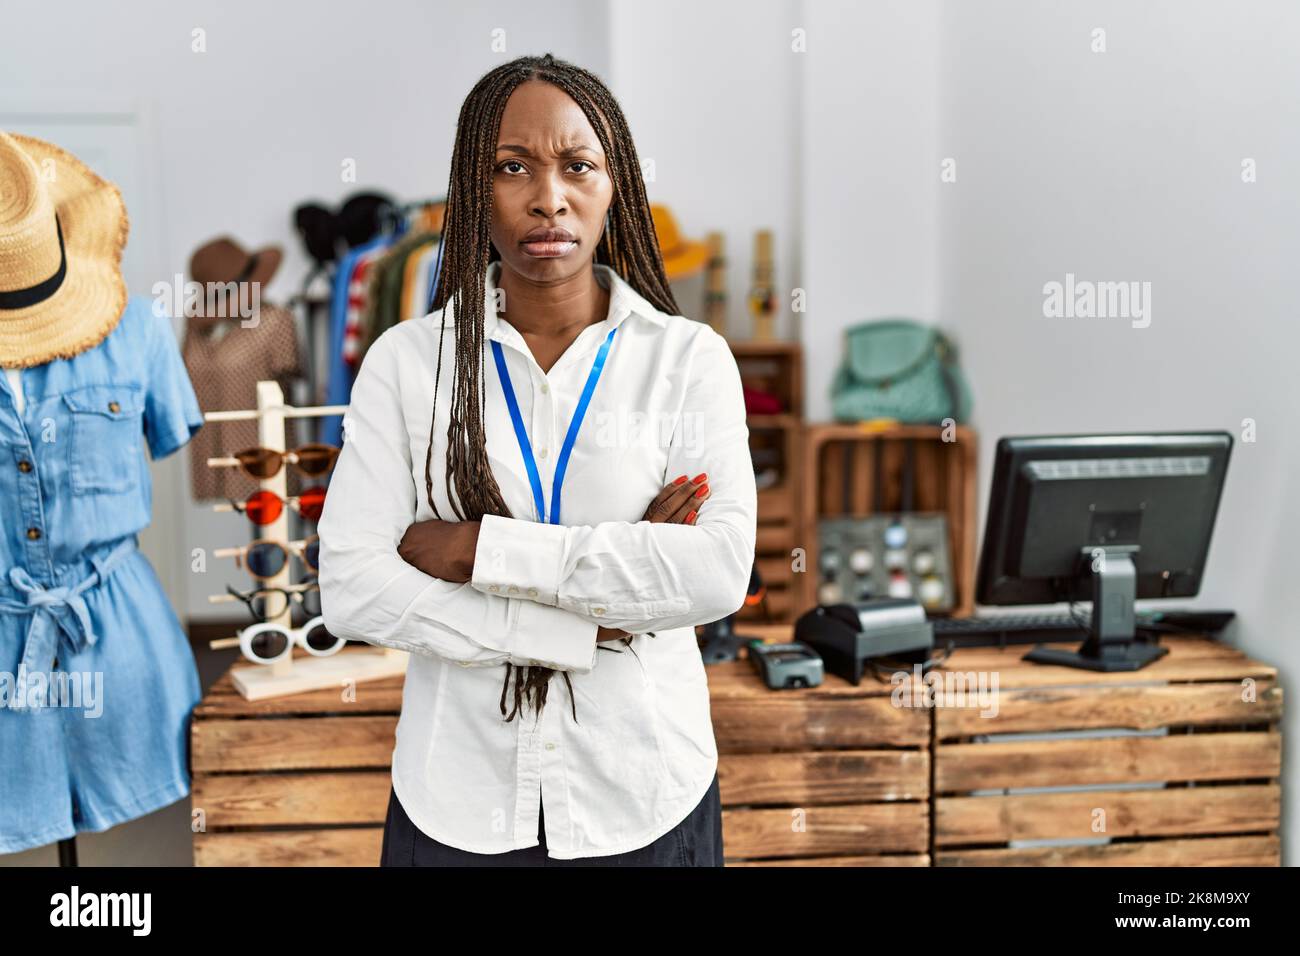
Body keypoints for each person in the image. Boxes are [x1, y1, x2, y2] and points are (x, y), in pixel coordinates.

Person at [317, 53, 756, 866]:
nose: (548, 197)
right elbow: (351, 588)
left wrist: (477, 550)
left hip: (645, 791)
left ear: (614, 183)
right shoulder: (409, 364)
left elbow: (715, 575)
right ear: (472, 190)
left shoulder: (688, 360)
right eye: (512, 167)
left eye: (577, 166)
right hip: (459, 798)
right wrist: (589, 619)